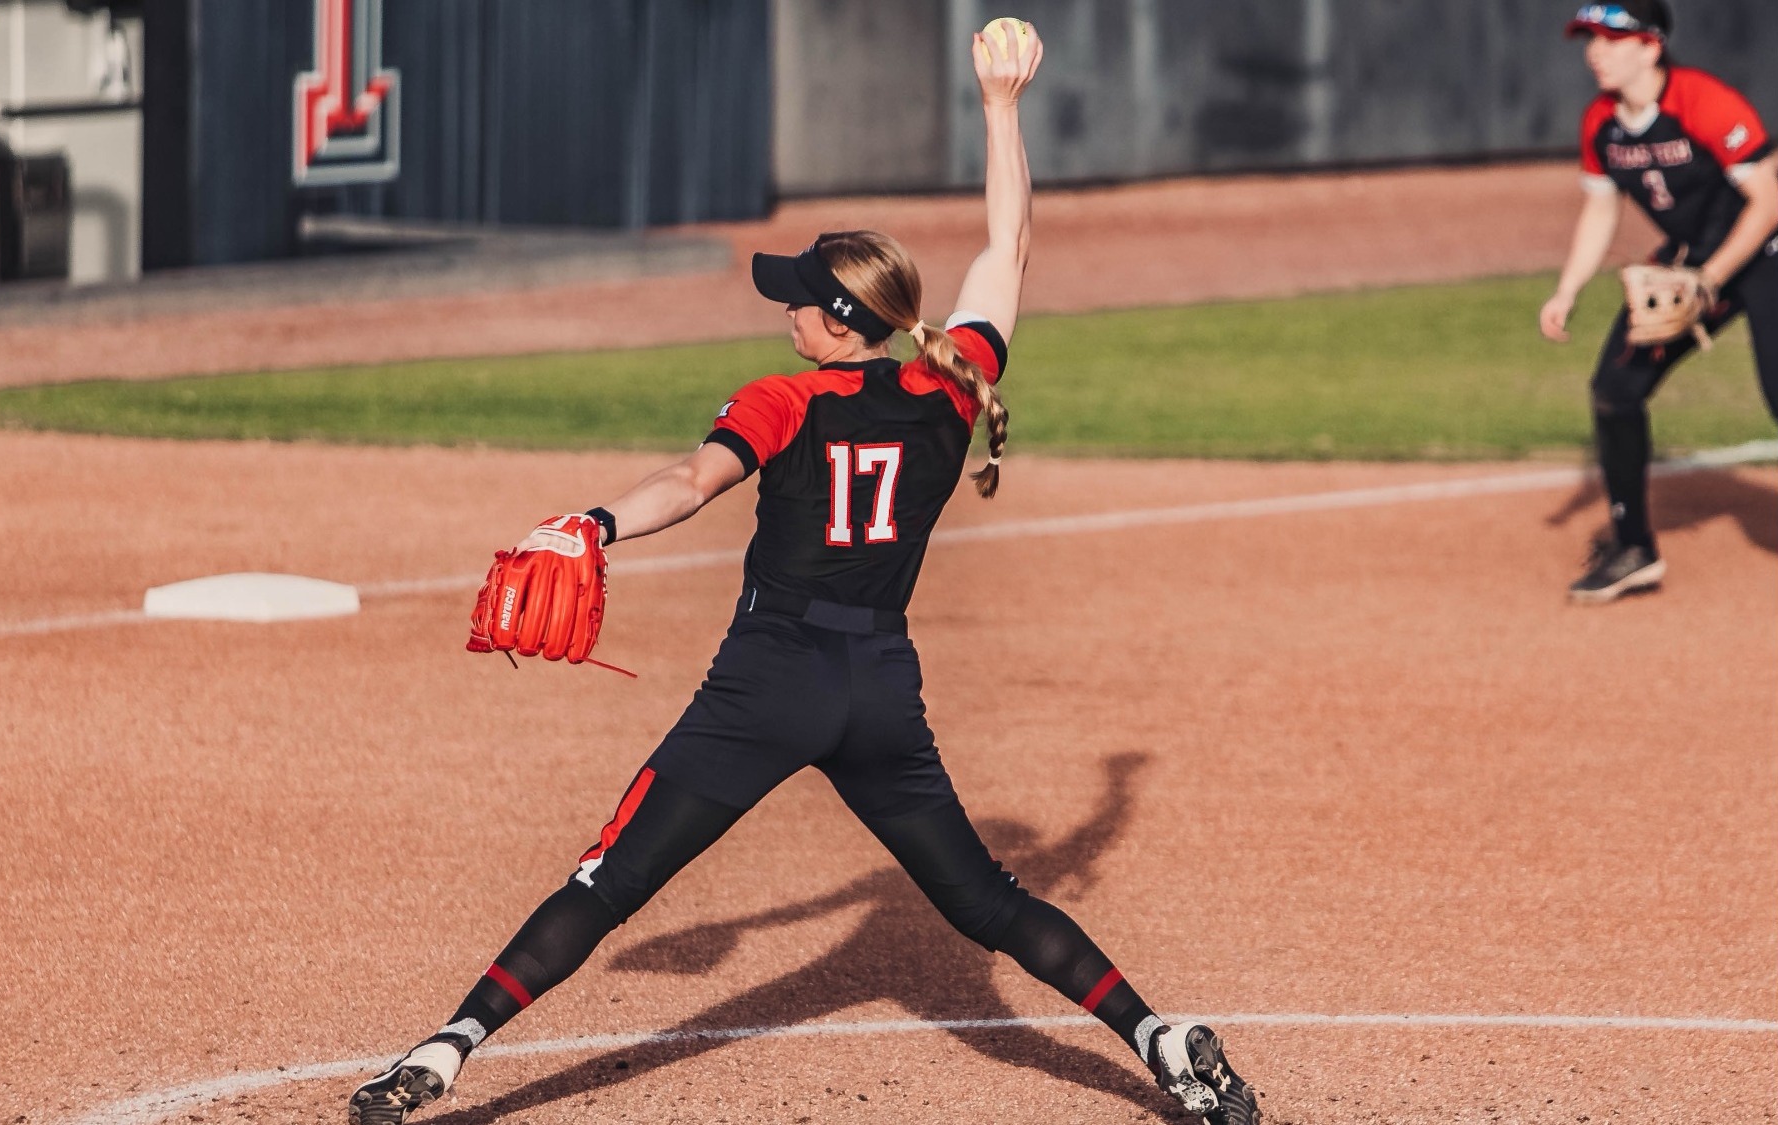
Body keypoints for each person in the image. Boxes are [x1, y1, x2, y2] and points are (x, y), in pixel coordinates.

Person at [349, 22, 1261, 1125]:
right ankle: (1158, 1037)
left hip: (766, 685)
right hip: (879, 691)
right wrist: (1000, 108)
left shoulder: (781, 400)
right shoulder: (949, 386)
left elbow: (691, 483)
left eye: (797, 298)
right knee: (987, 901)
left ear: (838, 323)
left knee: (609, 879)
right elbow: (1007, 250)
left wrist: (590, 523)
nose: (783, 309)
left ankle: (446, 1053)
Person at [1539, 0, 1778, 604]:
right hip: (1692, 256)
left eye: (1610, 39)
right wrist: (1568, 287)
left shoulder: (1701, 100)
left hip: (1767, 248)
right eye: (1588, 39)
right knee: (1615, 389)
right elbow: (1601, 206)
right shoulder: (1601, 122)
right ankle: (1633, 549)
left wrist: (1709, 278)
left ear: (1650, 46)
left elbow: (1767, 203)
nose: (1596, 51)